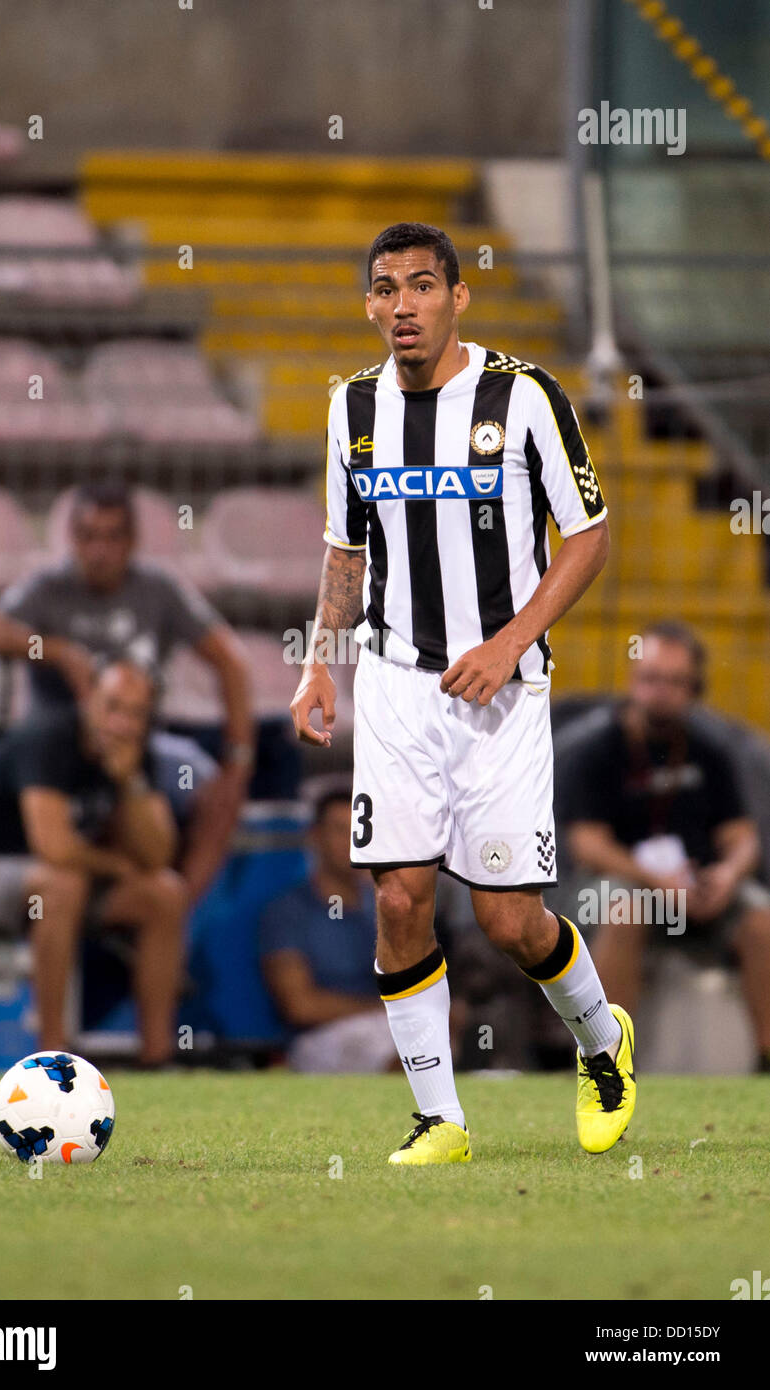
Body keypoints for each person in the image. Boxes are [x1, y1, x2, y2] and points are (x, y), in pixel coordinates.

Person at [290, 221, 635, 1164]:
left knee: (508, 922)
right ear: (367, 303)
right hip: (396, 685)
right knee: (399, 898)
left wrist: (511, 638)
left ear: (457, 297)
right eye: (384, 288)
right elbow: (344, 547)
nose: (400, 305)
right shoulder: (350, 408)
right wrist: (318, 663)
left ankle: (602, 1042)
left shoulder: (523, 397)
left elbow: (589, 536)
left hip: (504, 692)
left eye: (420, 286)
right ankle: (440, 1120)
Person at [0, 480, 255, 900]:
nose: (99, 551)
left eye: (112, 537)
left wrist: (239, 756)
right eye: (87, 537)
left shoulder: (159, 590)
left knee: (217, 788)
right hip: (64, 755)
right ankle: (114, 910)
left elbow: (231, 661)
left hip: (143, 750)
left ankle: (179, 911)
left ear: (132, 541)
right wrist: (57, 650)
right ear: (71, 539)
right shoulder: (48, 588)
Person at [0, 660, 186, 1065]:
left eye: (136, 713)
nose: (122, 723)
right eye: (113, 706)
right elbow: (55, 848)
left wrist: (130, 783)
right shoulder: (48, 737)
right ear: (89, 699)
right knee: (61, 884)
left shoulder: (137, 756)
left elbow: (157, 857)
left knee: (165, 893)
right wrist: (117, 865)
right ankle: (52, 1055)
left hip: (68, 882)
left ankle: (158, 1058)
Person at [557, 621, 770, 1070]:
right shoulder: (596, 748)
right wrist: (659, 881)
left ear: (694, 687)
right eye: (651, 679)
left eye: (675, 682)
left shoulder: (711, 750)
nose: (661, 692)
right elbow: (588, 845)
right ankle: (607, 1063)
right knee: (623, 908)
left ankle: (765, 1057)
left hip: (699, 889)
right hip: (615, 887)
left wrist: (727, 876)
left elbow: (743, 838)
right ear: (633, 681)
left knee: (760, 917)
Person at [259, 782, 395, 1073]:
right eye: (339, 830)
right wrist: (388, 1010)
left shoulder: (387, 906)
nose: (351, 841)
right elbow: (300, 1006)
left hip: (388, 1023)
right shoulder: (288, 911)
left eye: (357, 830)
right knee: (402, 1059)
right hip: (319, 1039)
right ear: (316, 837)